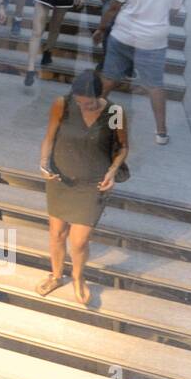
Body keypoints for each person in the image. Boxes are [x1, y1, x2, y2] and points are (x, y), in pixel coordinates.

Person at [37, 69, 129, 304]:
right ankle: (56, 275)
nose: (83, 107)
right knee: (57, 234)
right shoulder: (62, 104)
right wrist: (43, 162)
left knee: (78, 241)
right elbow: (49, 136)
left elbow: (122, 147)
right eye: (79, 102)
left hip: (92, 183)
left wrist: (112, 171)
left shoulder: (115, 112)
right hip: (61, 178)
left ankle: (78, 277)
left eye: (88, 103)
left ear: (99, 96)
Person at [94, 0, 185, 145]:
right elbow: (174, 13)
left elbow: (114, 7)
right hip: (153, 42)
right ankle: (161, 132)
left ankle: (92, 117)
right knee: (155, 86)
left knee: (108, 80)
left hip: (123, 36)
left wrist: (101, 29)